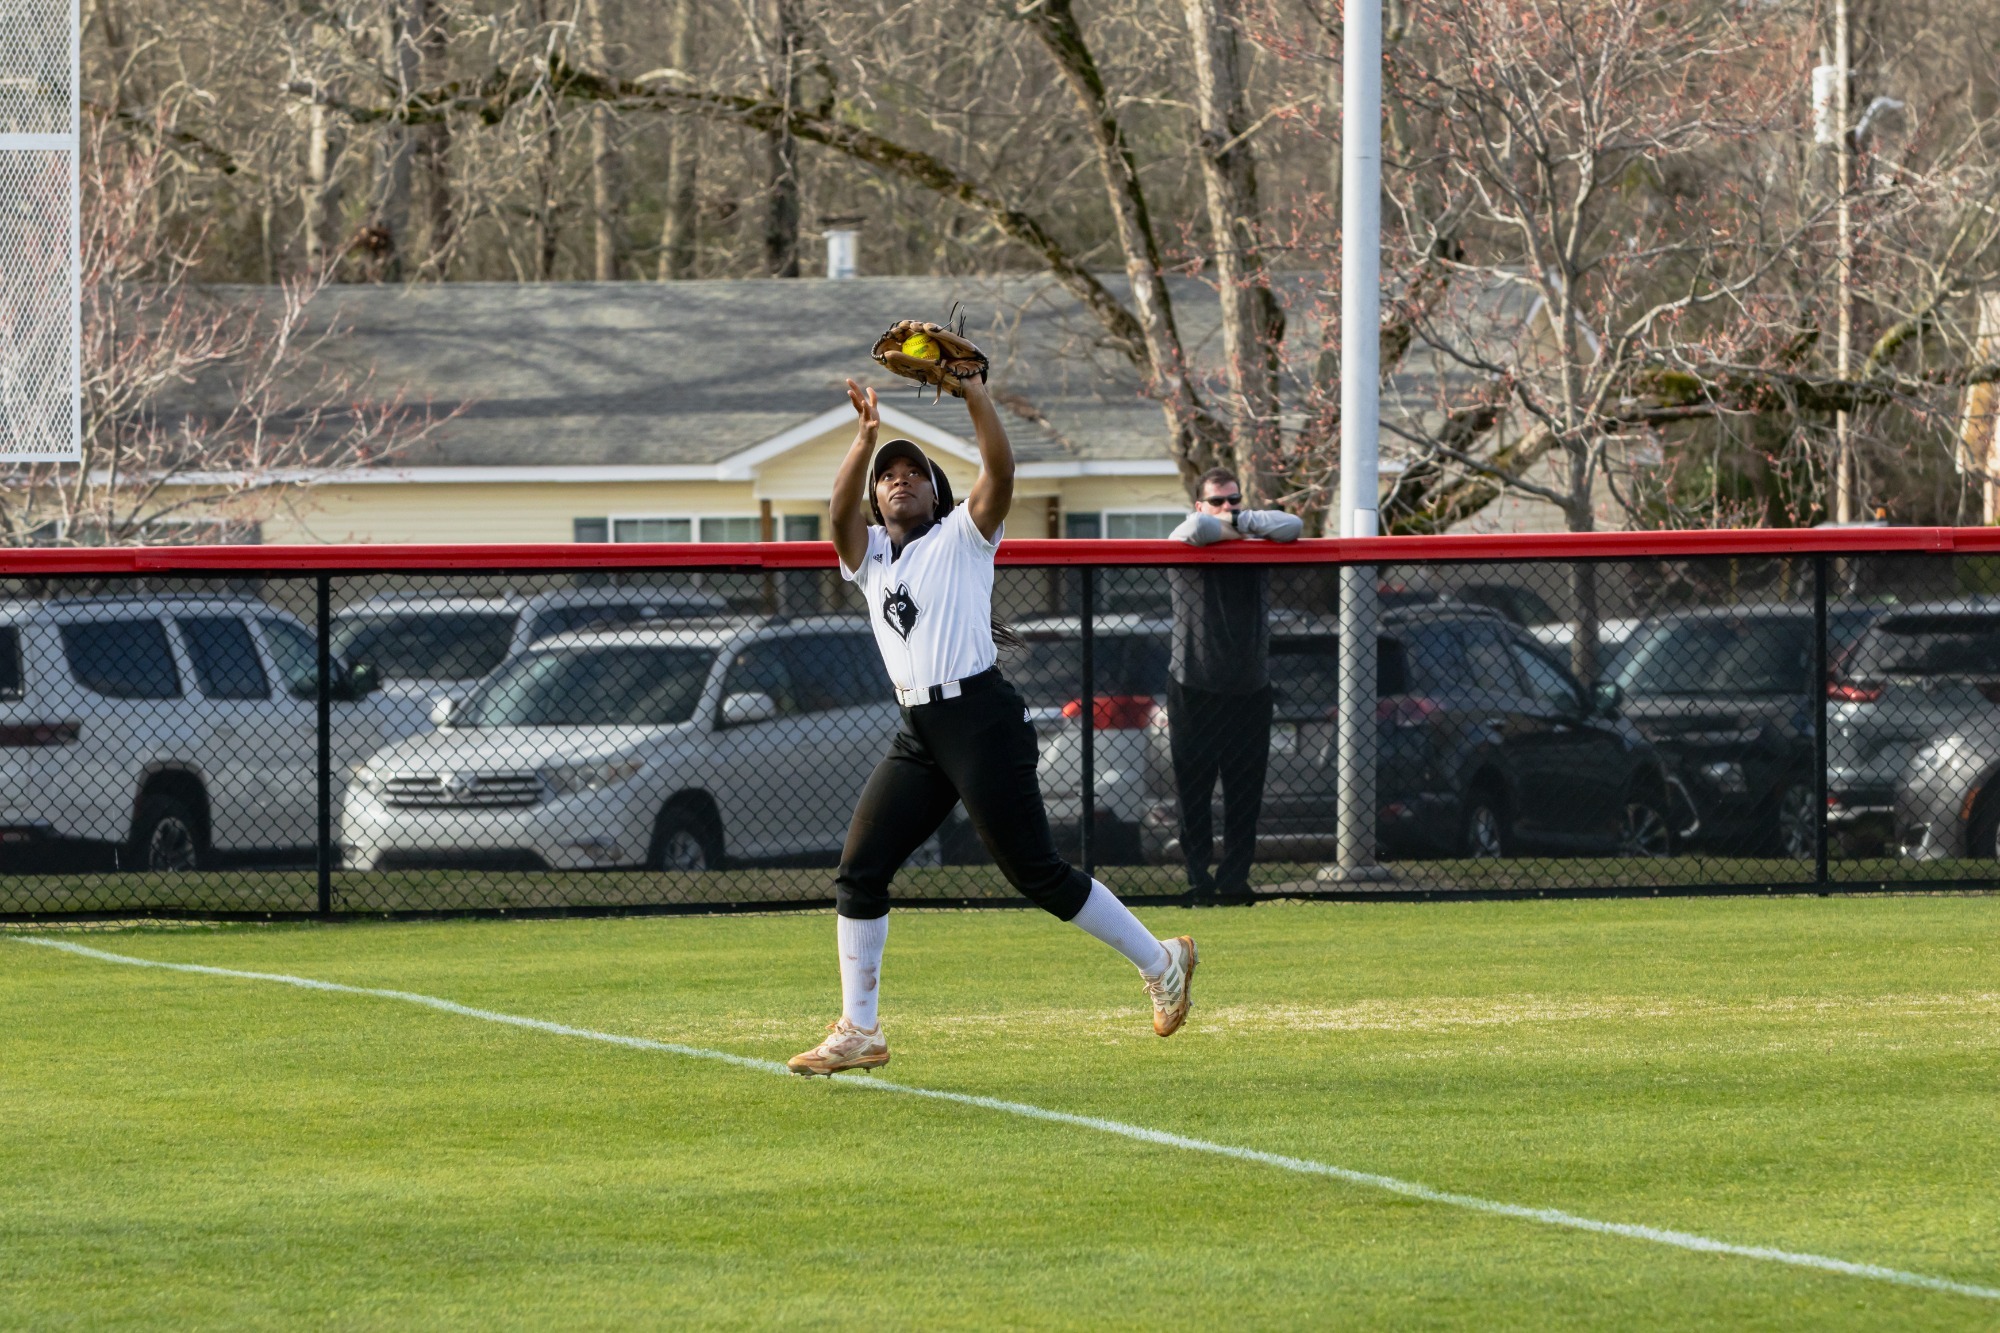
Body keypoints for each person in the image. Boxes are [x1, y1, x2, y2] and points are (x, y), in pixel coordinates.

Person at [786, 373, 1197, 1076]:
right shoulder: (873, 559)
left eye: (914, 473)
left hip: (980, 719)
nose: (900, 481)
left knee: (1035, 872)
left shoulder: (963, 535)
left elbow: (1000, 469)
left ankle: (1163, 961)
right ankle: (860, 1028)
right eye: (888, 476)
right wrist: (864, 437)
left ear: (938, 493)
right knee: (860, 870)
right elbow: (837, 515)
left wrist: (974, 393)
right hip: (919, 728)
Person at [1166, 468, 1303, 901]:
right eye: (1219, 500)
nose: (1229, 507)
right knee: (1195, 790)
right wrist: (1233, 525)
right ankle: (1198, 879)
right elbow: (1197, 529)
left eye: (1235, 499)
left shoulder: (1255, 539)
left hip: (1249, 688)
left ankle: (1234, 880)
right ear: (1200, 503)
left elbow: (1293, 525)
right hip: (1194, 684)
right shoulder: (1188, 536)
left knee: (1245, 792)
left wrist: (1242, 523)